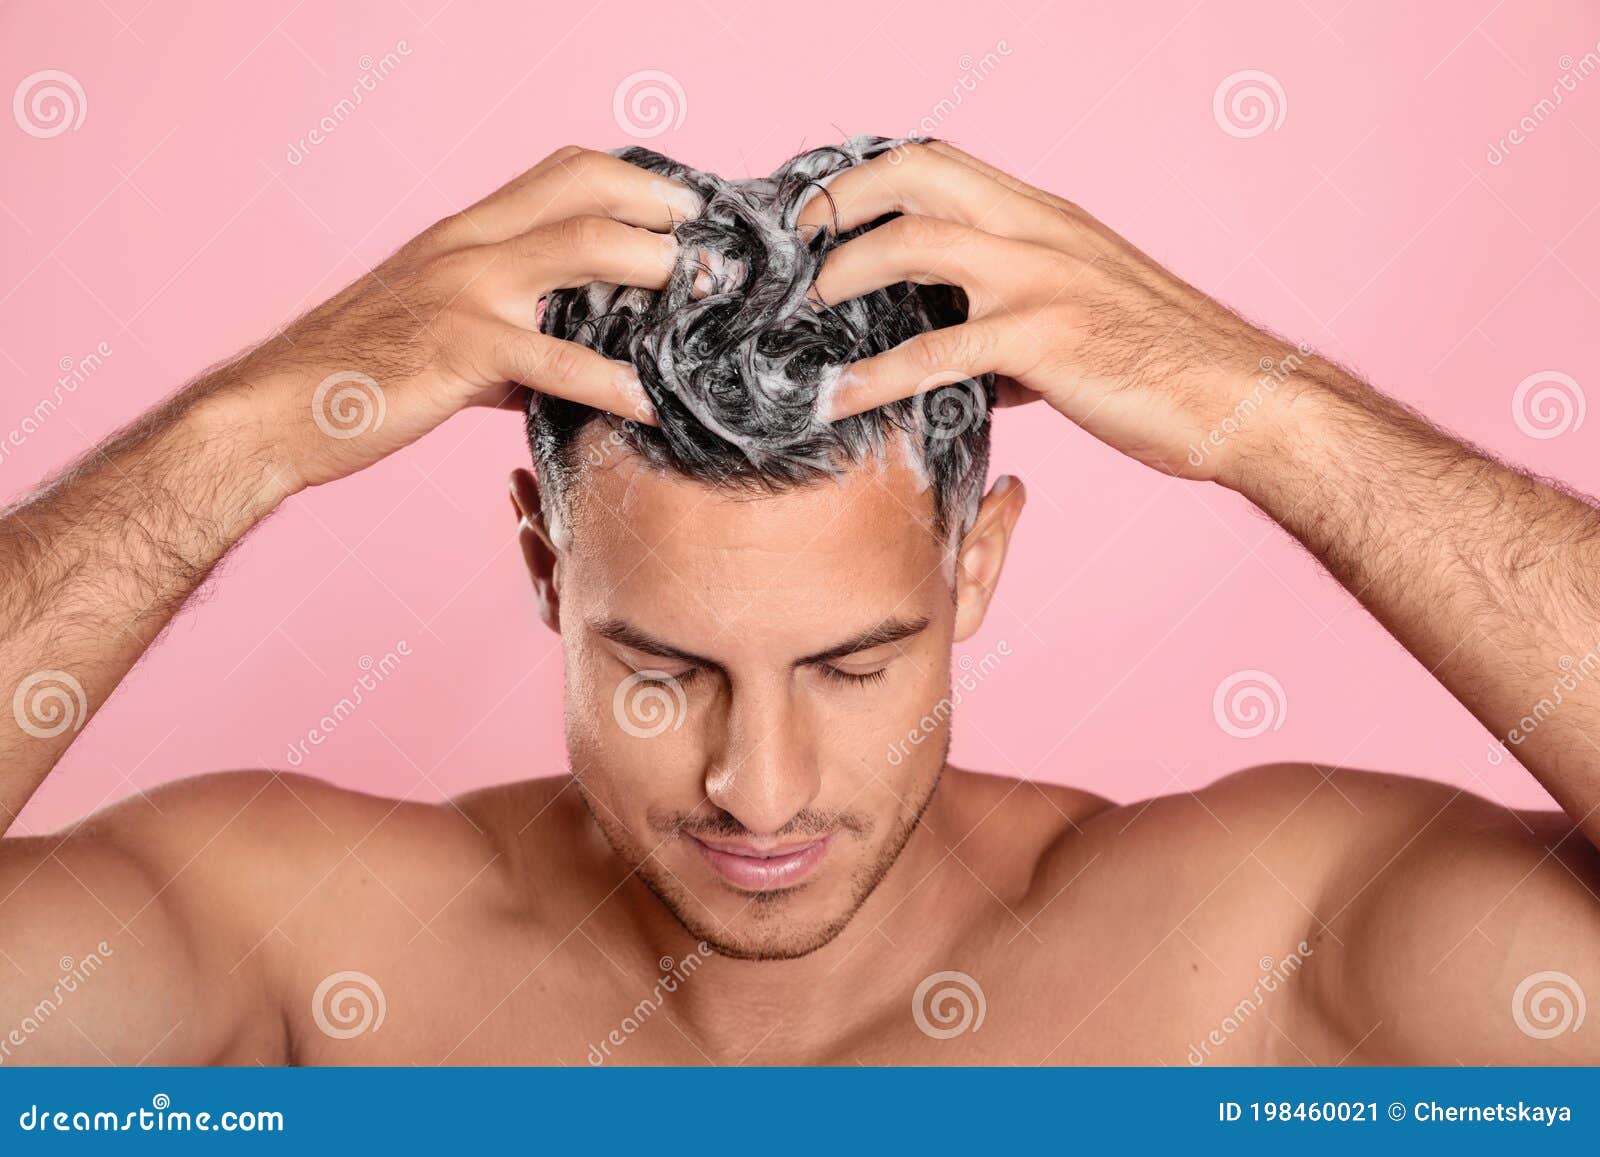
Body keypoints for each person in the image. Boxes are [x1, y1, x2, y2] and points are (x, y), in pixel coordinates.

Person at [0, 140, 1595, 1066]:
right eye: (661, 665)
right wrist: (249, 429)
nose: (754, 787)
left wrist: (1276, 414)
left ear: (975, 567)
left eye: (852, 665)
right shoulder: (306, 946)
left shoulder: (1242, 950)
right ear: (547, 568)